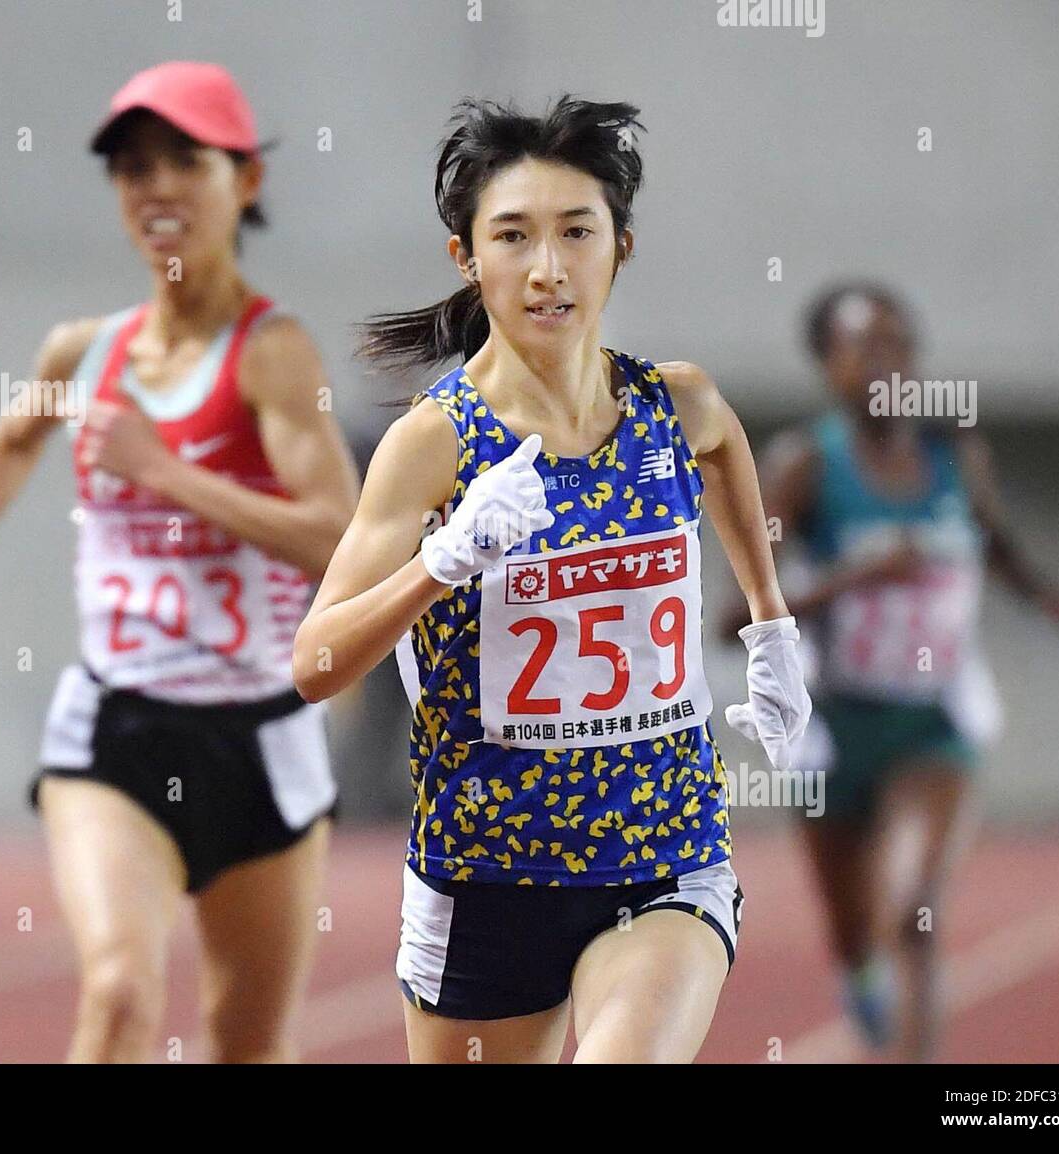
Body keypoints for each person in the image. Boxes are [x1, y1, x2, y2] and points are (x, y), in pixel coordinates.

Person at [293, 96, 811, 1063]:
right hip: (488, 872)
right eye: (514, 236)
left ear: (620, 244)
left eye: (578, 232)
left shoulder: (675, 402)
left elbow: (725, 451)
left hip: (667, 850)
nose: (548, 268)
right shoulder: (432, 445)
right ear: (466, 258)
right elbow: (314, 663)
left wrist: (771, 623)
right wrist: (439, 566)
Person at [0, 61, 359, 1063]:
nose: (155, 188)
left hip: (260, 737)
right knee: (117, 993)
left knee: (247, 1043)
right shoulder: (84, 350)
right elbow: (15, 436)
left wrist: (166, 470)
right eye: (131, 168)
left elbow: (340, 537)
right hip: (118, 730)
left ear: (245, 182)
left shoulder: (272, 354)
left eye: (184, 162)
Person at [734, 281, 1059, 1060]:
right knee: (854, 933)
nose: (885, 365)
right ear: (826, 366)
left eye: (900, 347)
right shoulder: (804, 469)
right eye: (864, 349)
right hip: (832, 727)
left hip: (934, 720)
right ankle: (862, 980)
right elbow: (732, 620)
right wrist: (850, 579)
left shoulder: (955, 456)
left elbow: (994, 546)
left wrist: (1051, 599)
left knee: (914, 915)